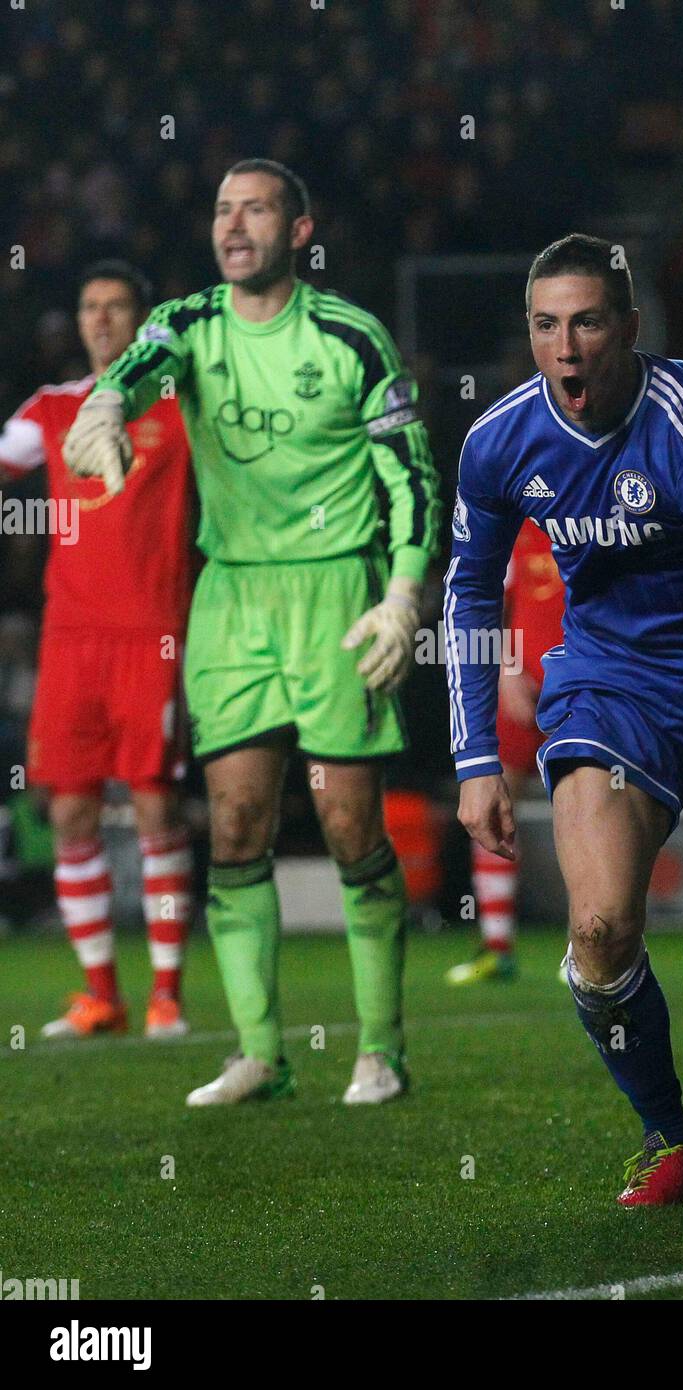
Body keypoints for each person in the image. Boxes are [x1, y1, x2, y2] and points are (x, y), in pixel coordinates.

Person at [445, 235, 683, 1206]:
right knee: (602, 923)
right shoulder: (499, 441)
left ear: (628, 326)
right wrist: (476, 756)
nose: (565, 348)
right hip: (613, 689)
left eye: (585, 322)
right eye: (545, 326)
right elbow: (470, 594)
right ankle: (665, 1130)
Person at [63, 161, 441, 1107]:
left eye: (256, 208)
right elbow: (142, 364)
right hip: (230, 598)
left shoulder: (351, 336)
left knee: (352, 823)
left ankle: (381, 1050)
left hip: (336, 596)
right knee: (234, 824)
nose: (233, 224)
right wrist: (108, 402)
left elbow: (411, 475)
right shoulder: (188, 323)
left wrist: (401, 595)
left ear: (300, 231)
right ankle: (261, 1054)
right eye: (223, 208)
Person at [0, 261, 194, 1039]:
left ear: (142, 319)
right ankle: (101, 996)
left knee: (155, 808)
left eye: (117, 306)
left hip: (153, 634)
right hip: (69, 641)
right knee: (72, 809)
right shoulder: (51, 410)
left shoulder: (180, 406)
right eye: (90, 307)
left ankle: (168, 995)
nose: (101, 320)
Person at [446, 518, 564, 984]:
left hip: (586, 685)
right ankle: (496, 945)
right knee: (493, 802)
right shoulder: (514, 518)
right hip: (520, 682)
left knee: (594, 810)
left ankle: (594, 942)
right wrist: (506, 665)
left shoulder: (598, 507)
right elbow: (483, 596)